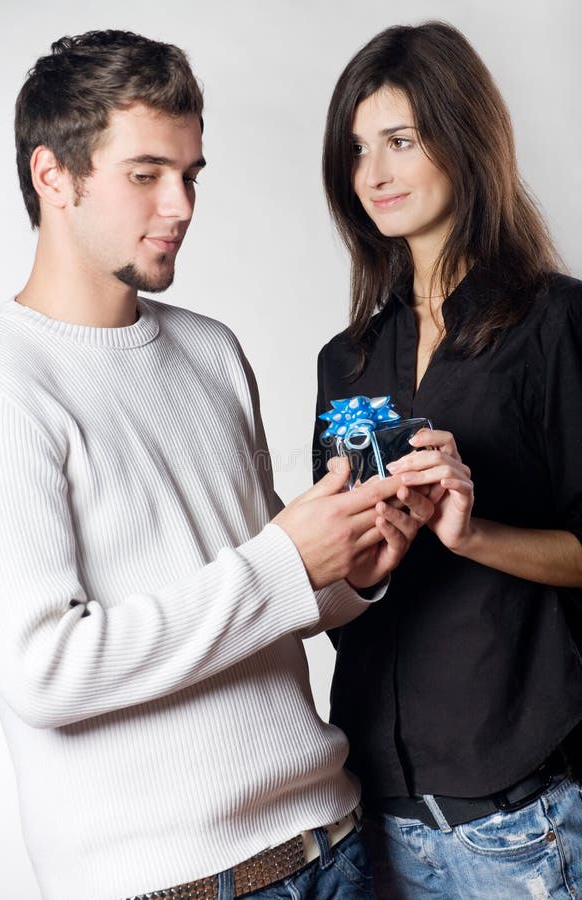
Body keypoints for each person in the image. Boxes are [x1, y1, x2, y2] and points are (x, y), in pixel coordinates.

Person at [0, 29, 436, 900]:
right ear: (53, 176)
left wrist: (358, 568)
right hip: (179, 885)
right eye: (146, 174)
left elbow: (268, 591)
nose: (181, 204)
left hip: (335, 841)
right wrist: (285, 563)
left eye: (191, 174)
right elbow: (45, 669)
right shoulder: (4, 387)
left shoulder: (210, 350)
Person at [313, 20, 582, 899]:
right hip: (371, 822)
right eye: (358, 150)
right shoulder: (345, 360)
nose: (374, 174)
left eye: (400, 140)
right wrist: (348, 564)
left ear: (462, 139)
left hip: (520, 824)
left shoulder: (556, 326)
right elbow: (335, 588)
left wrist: (474, 536)